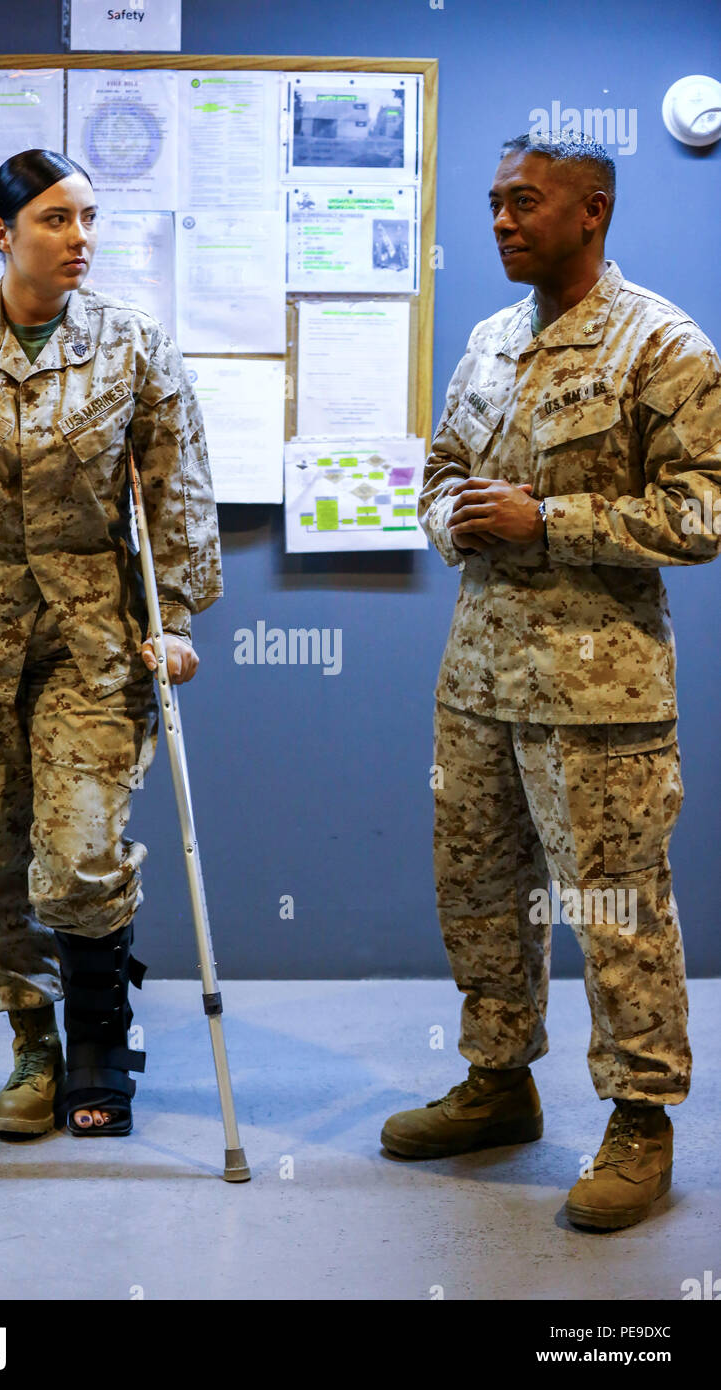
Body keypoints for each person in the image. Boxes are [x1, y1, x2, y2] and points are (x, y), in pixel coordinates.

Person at [381, 131, 721, 1231]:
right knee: (476, 897)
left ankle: (638, 1120)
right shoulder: (485, 342)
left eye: (523, 202)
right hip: (477, 679)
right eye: (491, 203)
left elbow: (702, 508)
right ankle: (497, 1082)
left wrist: (549, 521)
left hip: (599, 699)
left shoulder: (659, 343)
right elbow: (435, 473)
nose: (499, 221)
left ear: (592, 210)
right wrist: (451, 516)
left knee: (615, 913)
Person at [0, 149, 223, 1139]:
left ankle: (99, 1038)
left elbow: (175, 485)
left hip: (90, 629)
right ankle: (32, 1040)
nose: (80, 239)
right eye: (56, 220)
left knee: (78, 850)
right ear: (0, 232)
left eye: (89, 219)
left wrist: (176, 618)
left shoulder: (133, 344)